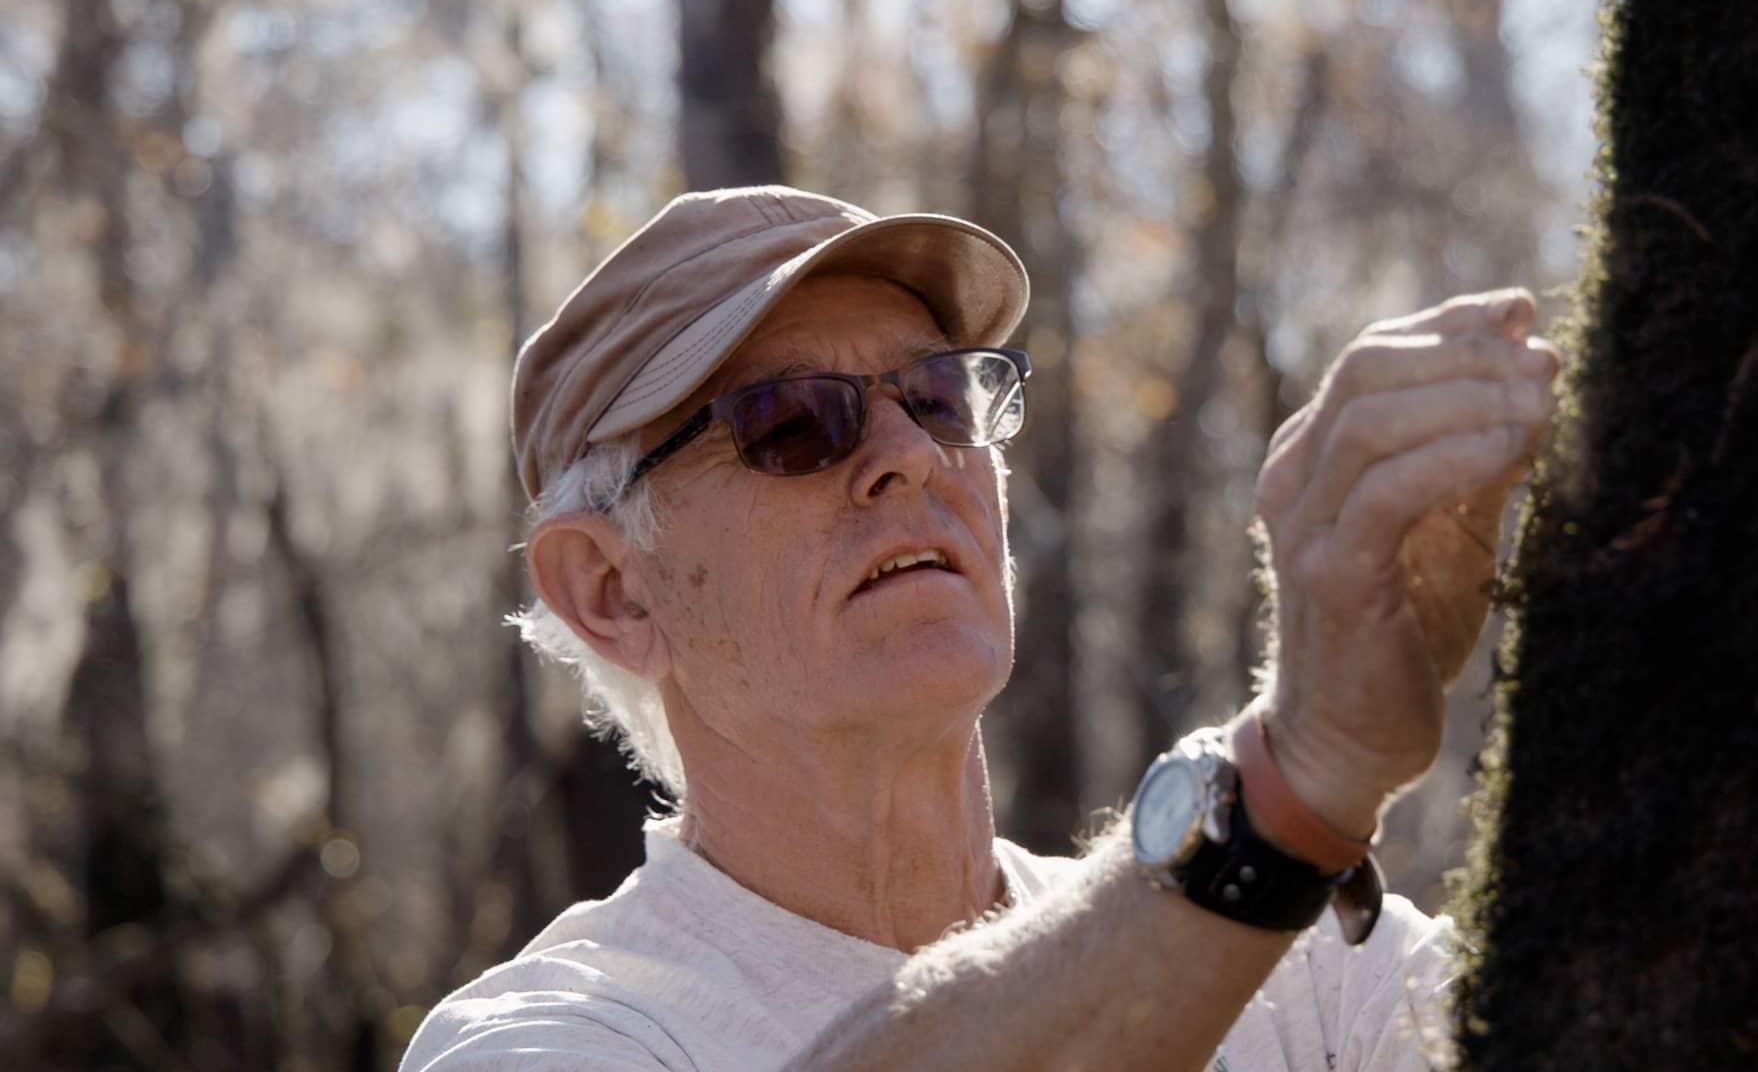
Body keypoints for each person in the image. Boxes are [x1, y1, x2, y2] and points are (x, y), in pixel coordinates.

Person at [400, 185, 1559, 1071]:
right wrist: (1288, 791)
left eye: (942, 396)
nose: (908, 457)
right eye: (795, 422)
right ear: (612, 591)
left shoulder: (1306, 968)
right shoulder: (553, 1034)